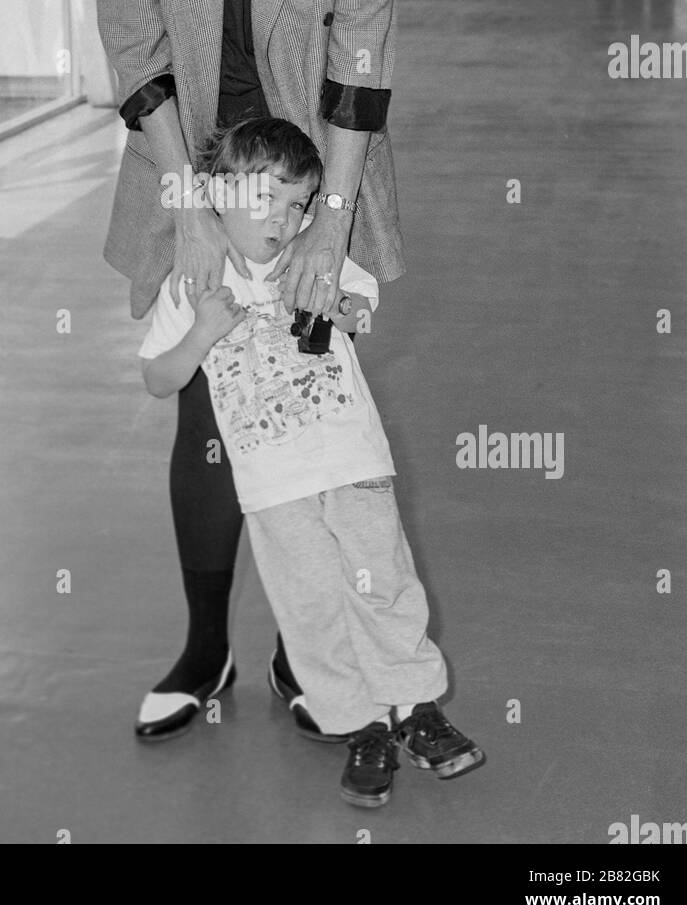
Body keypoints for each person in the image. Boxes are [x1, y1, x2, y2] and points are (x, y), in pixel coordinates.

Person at [91, 0, 406, 740]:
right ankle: (210, 644)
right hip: (183, 159)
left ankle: (311, 655)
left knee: (316, 412)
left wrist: (326, 221)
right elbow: (131, 45)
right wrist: (189, 205)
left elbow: (363, 43)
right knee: (213, 409)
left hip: (314, 158)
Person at [137, 118, 485, 806]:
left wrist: (343, 305)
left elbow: (360, 310)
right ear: (214, 192)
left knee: (382, 583)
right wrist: (201, 333)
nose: (284, 218)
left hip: (352, 462)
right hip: (272, 486)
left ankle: (416, 709)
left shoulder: (312, 258)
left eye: (299, 204)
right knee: (311, 607)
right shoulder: (192, 282)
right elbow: (157, 377)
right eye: (268, 199)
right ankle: (359, 726)